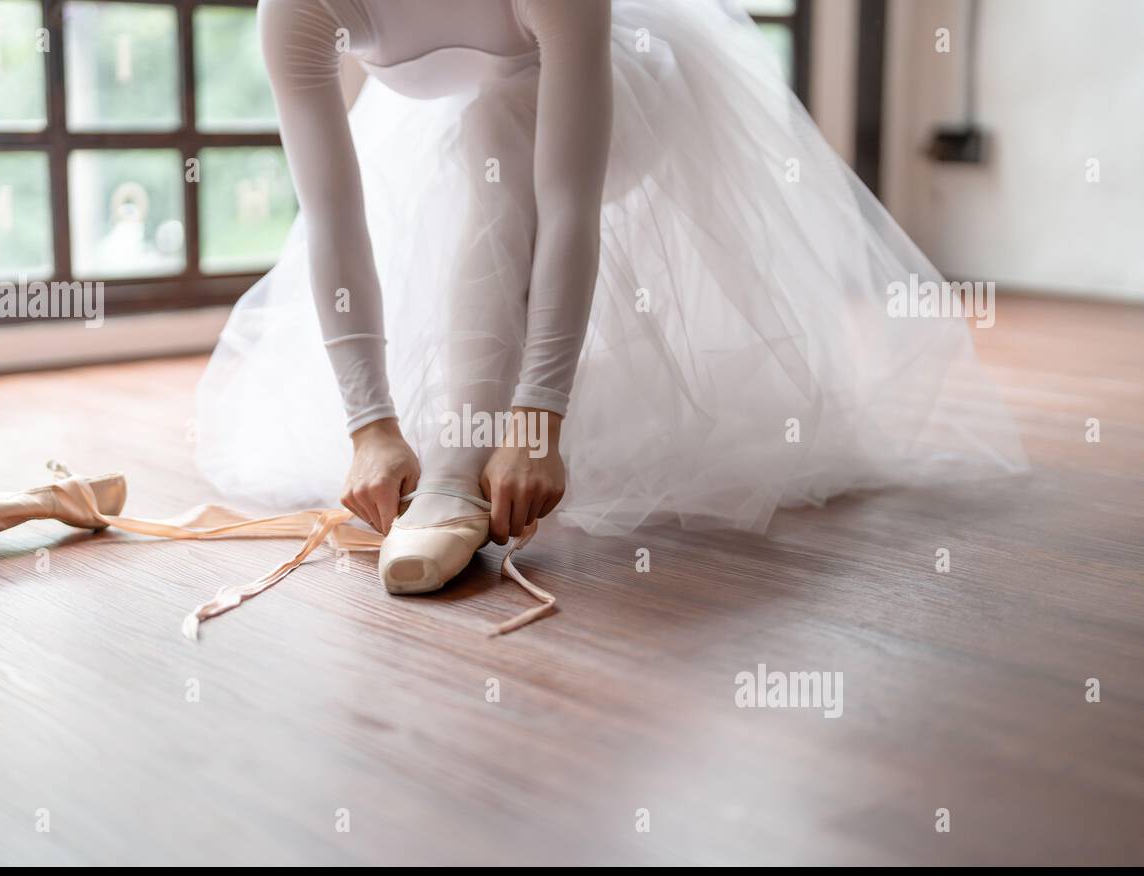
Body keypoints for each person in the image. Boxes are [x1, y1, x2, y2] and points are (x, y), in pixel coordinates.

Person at [195, 0, 1027, 595]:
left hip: (630, 90)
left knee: (499, 128)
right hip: (463, 110)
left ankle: (456, 474)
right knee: (483, 145)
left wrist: (537, 420)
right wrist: (370, 425)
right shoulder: (294, 12)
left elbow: (568, 203)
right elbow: (333, 217)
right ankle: (442, 459)